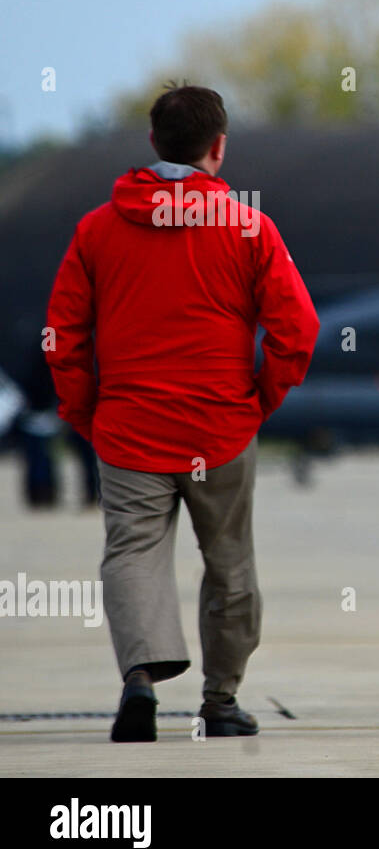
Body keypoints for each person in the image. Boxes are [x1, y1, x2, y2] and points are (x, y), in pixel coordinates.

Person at [45, 85, 320, 742]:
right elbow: (299, 330)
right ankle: (220, 702)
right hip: (220, 429)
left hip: (128, 429)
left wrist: (86, 414)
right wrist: (259, 400)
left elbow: (62, 335)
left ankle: (139, 679)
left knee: (132, 554)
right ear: (217, 149)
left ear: (152, 145)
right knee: (230, 564)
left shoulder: (96, 230)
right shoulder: (250, 228)